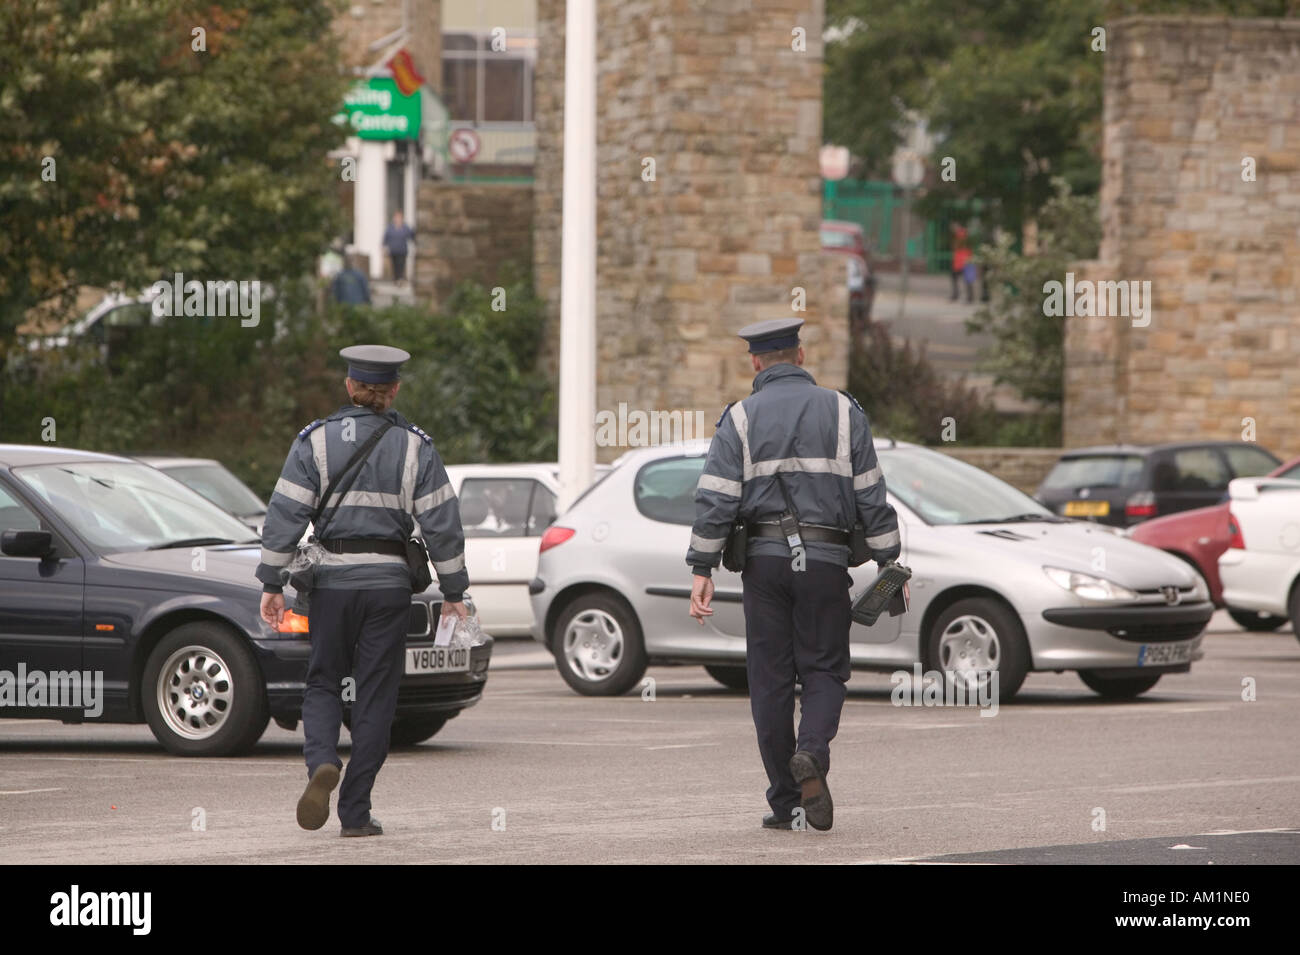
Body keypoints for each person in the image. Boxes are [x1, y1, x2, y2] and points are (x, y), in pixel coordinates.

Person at [685, 317, 904, 832]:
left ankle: (788, 803)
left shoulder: (739, 418)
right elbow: (871, 493)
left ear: (756, 362)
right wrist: (890, 561)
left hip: (764, 564)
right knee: (825, 670)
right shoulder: (845, 412)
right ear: (800, 356)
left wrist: (702, 566)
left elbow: (715, 499)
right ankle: (811, 752)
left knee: (770, 683)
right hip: (826, 562)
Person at [256, 344, 469, 837]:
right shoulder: (416, 445)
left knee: (324, 680)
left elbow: (285, 513)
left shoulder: (315, 441)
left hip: (330, 584)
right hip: (390, 586)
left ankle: (322, 763)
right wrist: (455, 590)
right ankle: (355, 813)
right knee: (376, 696)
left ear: (349, 387)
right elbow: (442, 523)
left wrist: (272, 581)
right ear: (393, 390)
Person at [382, 211, 415, 286]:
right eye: (396, 217)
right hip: (393, 250)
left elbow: (411, 236)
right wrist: (384, 247)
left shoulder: (405, 227)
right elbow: (385, 238)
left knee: (401, 265)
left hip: (402, 250)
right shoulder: (390, 228)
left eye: (399, 217)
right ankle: (396, 279)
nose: (398, 219)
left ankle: (400, 279)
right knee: (395, 265)